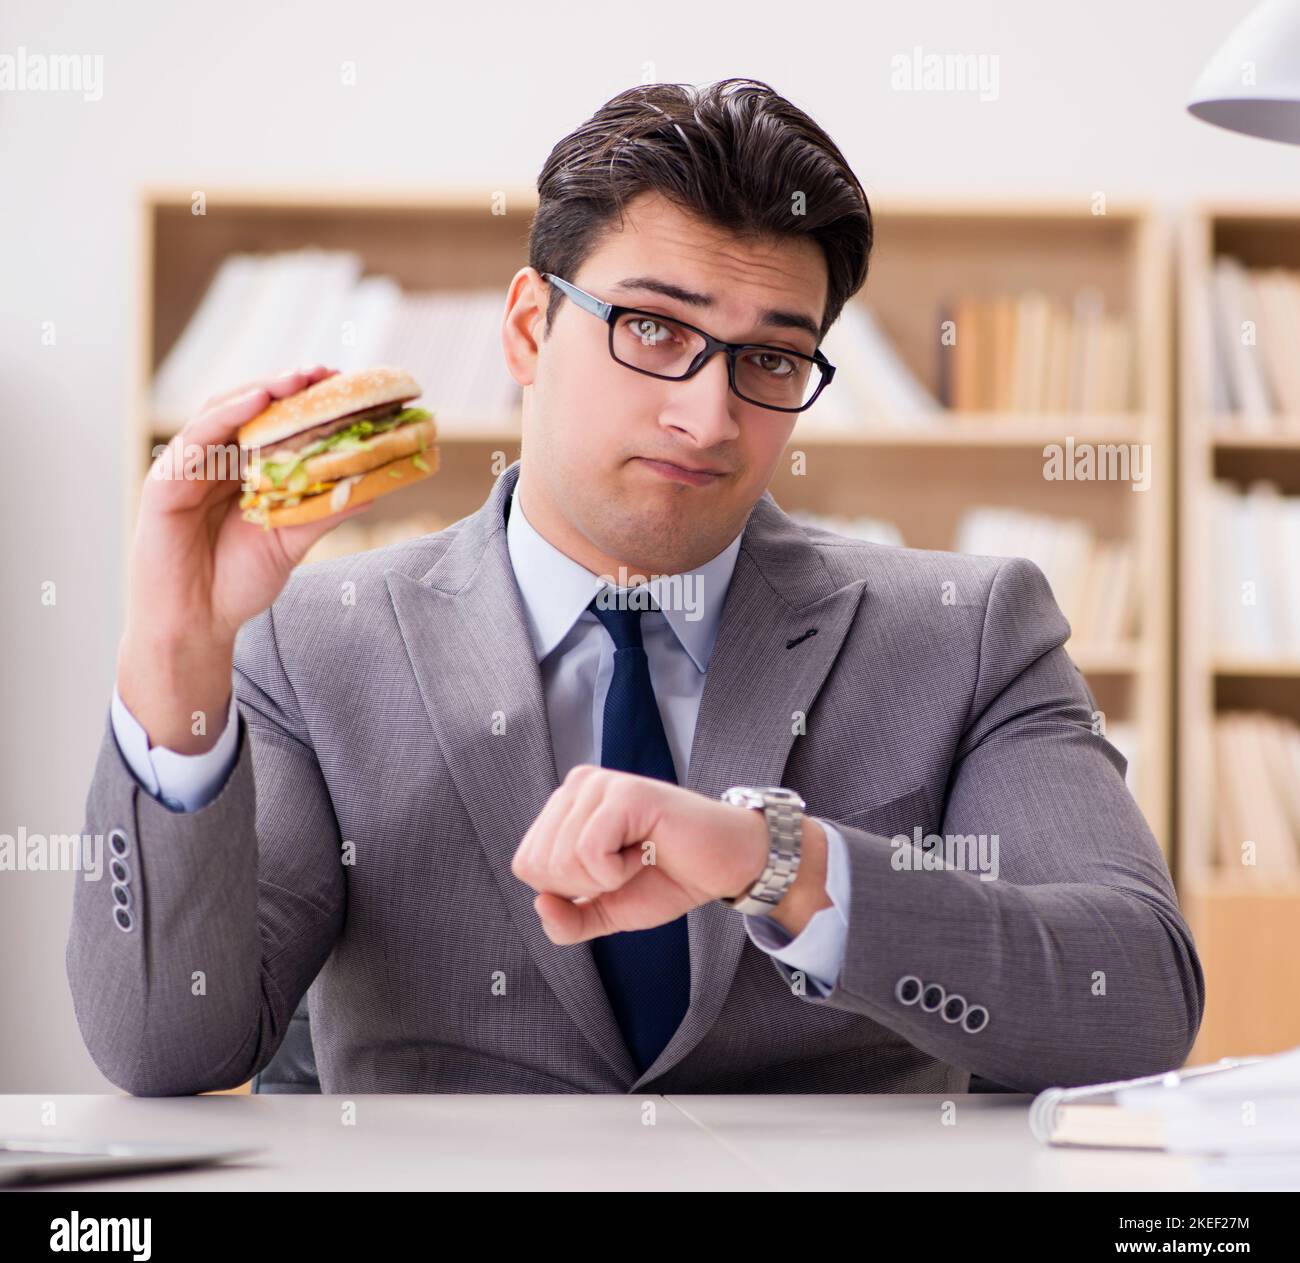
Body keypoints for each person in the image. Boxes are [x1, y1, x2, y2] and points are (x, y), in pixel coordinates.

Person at [67, 77, 1203, 1096]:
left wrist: (776, 865)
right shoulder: (308, 642)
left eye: (770, 359)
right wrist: (174, 650)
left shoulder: (967, 633)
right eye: (653, 329)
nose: (706, 418)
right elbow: (169, 1050)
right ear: (528, 327)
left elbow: (1136, 1003)